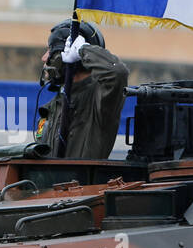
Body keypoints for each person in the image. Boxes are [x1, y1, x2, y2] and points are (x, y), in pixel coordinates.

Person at [35, 20, 129, 159]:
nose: (44, 58)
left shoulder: (99, 100)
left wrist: (83, 49)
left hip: (83, 180)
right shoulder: (54, 106)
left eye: (50, 50)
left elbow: (117, 72)